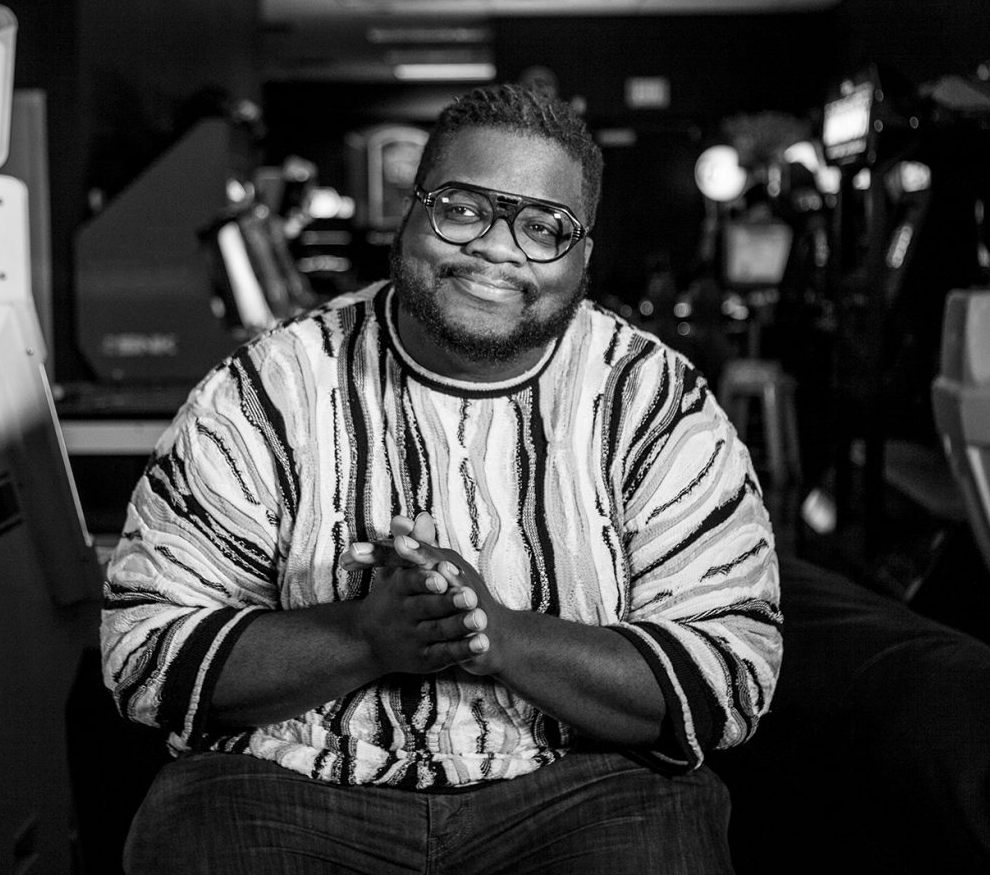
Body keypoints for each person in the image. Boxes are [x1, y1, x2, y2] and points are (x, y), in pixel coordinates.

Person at [100, 83, 783, 875]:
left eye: (543, 227)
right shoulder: (268, 388)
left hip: (581, 786)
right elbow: (143, 649)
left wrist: (499, 634)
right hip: (293, 784)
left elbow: (728, 671)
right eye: (462, 209)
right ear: (411, 214)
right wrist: (365, 635)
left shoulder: (652, 400)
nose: (496, 248)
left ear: (584, 256)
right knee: (197, 836)